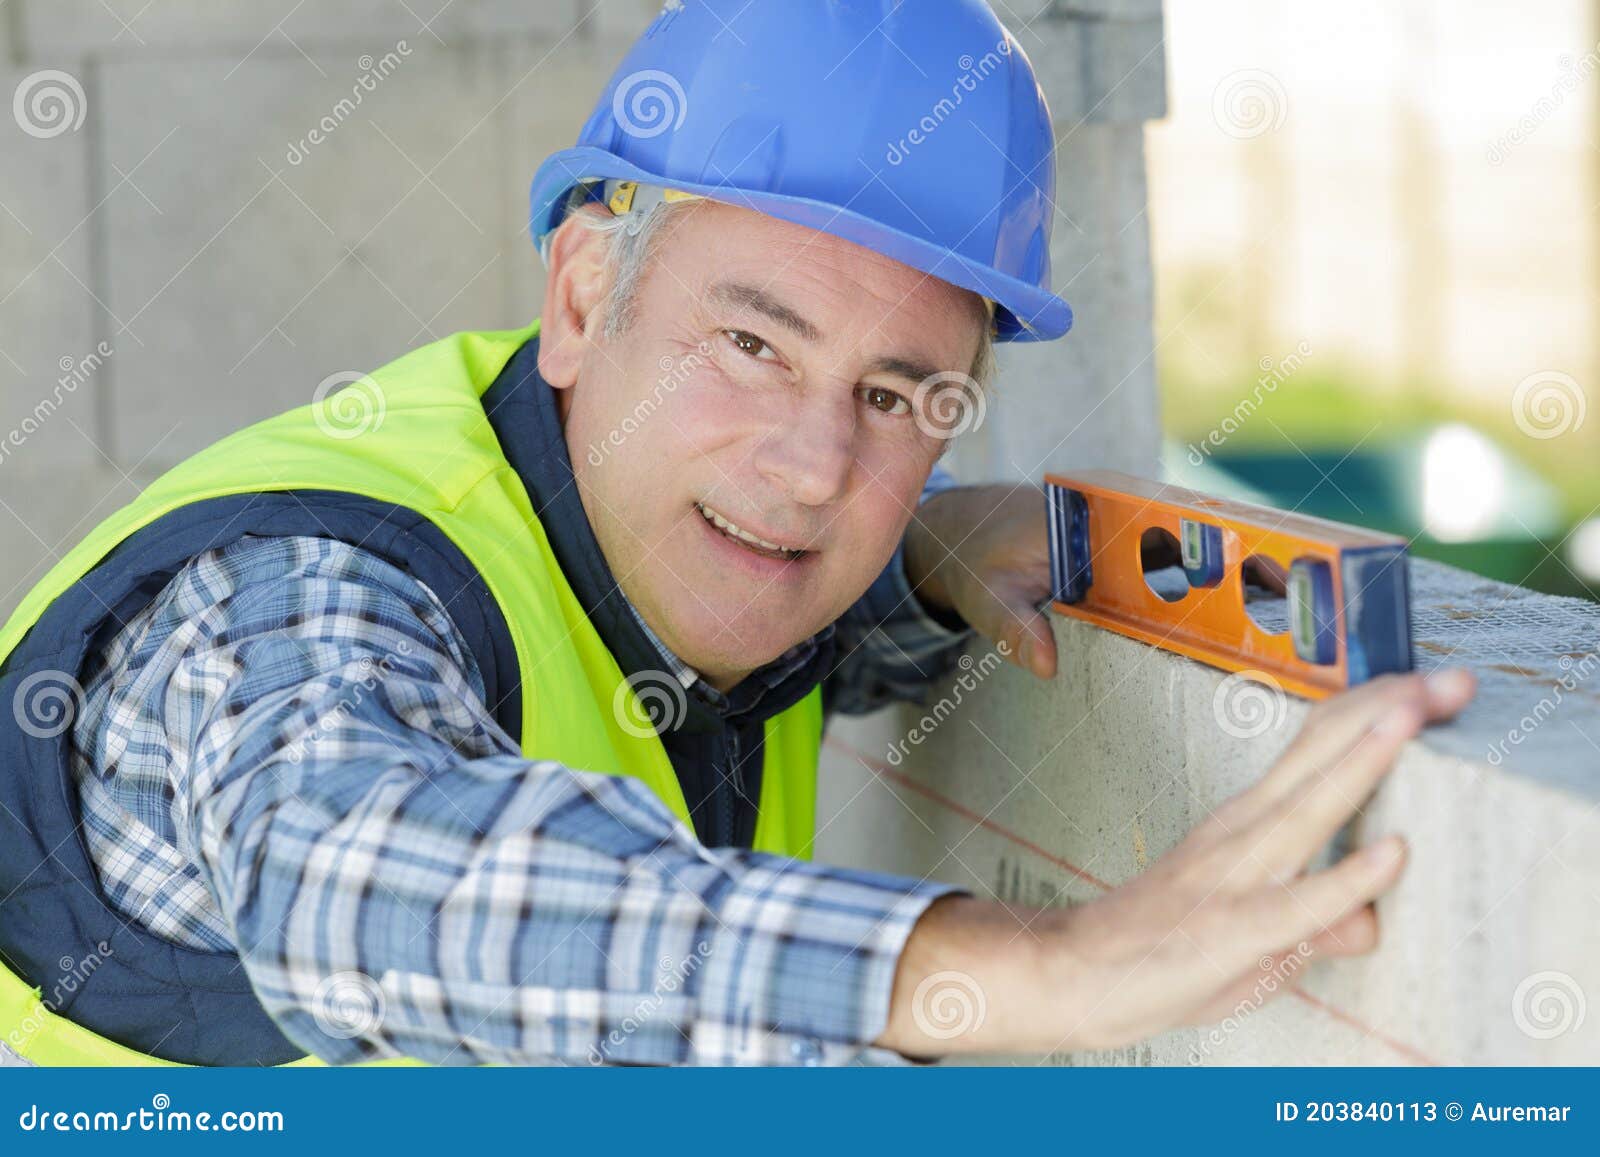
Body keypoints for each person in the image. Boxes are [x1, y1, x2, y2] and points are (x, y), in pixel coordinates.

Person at [0, 0, 1475, 1067]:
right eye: (753, 346)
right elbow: (354, 875)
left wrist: (924, 563)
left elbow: (730, 637)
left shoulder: (681, 554)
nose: (818, 461)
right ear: (583, 296)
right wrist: (1043, 969)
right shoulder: (295, 596)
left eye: (897, 395)